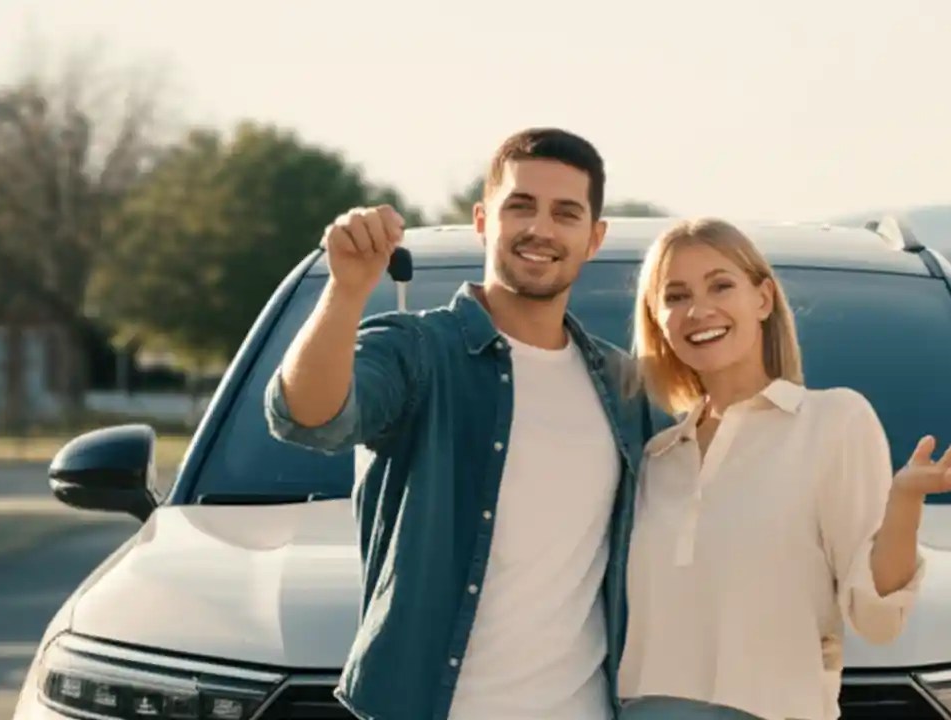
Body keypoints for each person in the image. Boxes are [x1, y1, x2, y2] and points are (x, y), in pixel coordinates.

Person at [263, 127, 661, 720]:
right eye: (520, 206)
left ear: (593, 237)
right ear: (483, 220)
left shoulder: (624, 385)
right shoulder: (417, 351)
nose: (541, 229)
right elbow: (307, 417)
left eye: (566, 213)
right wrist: (346, 291)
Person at [616, 218, 951, 720]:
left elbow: (877, 619)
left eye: (720, 285)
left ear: (763, 298)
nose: (698, 310)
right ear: (657, 320)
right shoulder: (657, 458)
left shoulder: (833, 421)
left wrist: (905, 501)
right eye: (675, 295)